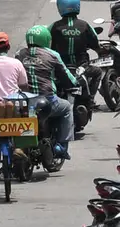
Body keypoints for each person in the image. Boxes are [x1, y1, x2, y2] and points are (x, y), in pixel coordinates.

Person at [16, 25, 78, 160]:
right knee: (67, 107)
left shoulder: (19, 54)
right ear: (46, 39)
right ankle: (62, 146)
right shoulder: (52, 54)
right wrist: (75, 83)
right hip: (47, 101)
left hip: (24, 102)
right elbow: (67, 76)